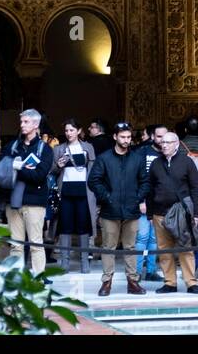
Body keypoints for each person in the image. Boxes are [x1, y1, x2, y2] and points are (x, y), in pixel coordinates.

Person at [88, 121, 149, 297]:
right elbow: (93, 181)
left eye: (129, 137)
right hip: (109, 210)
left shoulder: (137, 158)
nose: (126, 140)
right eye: (123, 137)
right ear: (115, 137)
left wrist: (137, 198)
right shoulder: (104, 158)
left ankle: (133, 281)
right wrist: (106, 197)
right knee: (108, 247)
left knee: (130, 247)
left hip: (131, 210)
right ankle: (107, 282)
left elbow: (145, 181)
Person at [147, 131, 198, 294]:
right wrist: (150, 214)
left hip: (182, 213)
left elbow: (196, 188)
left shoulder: (187, 162)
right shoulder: (156, 163)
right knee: (164, 249)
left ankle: (191, 282)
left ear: (177, 144)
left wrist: (197, 214)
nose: (164, 145)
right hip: (159, 213)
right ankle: (170, 282)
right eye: (162, 142)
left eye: (168, 142)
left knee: (186, 247)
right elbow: (150, 190)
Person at [4, 109, 54, 276]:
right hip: (13, 201)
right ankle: (16, 279)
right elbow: (1, 168)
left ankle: (39, 278)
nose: (22, 125)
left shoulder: (45, 149)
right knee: (15, 245)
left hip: (34, 202)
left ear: (36, 125)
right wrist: (26, 169)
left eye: (26, 122)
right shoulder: (12, 146)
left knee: (36, 244)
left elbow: (39, 176)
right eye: (21, 122)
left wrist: (18, 168)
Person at [52, 120, 98, 273]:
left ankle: (85, 261)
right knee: (65, 226)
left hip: (84, 192)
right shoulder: (59, 149)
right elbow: (52, 171)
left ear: (79, 131)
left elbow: (93, 171)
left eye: (71, 130)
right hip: (65, 192)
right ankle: (64, 262)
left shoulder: (87, 148)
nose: (68, 133)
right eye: (66, 130)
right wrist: (58, 166)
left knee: (83, 226)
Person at [134, 124, 166, 282]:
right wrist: (140, 200)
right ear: (153, 137)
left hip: (161, 203)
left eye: (165, 136)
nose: (162, 140)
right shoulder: (142, 152)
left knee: (155, 239)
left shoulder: (169, 153)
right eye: (159, 136)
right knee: (142, 237)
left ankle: (151, 271)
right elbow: (136, 178)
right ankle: (137, 271)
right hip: (145, 202)